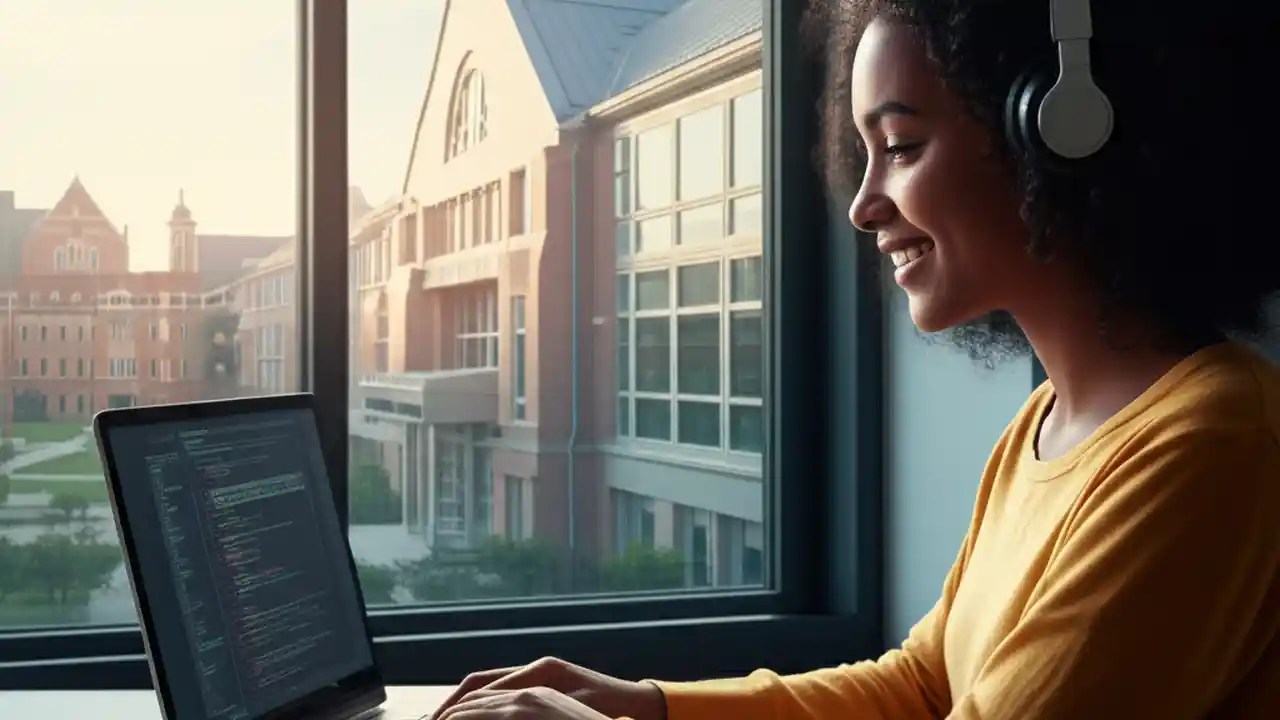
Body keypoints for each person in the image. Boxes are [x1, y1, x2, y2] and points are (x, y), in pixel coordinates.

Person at [429, 0, 1280, 718]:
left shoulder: (1212, 445)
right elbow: (920, 685)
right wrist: (647, 704)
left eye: (902, 147)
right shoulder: (1050, 423)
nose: (865, 206)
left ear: (1060, 130)